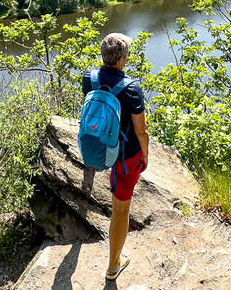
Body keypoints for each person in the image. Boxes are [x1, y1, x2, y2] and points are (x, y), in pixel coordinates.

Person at [83, 32, 149, 281]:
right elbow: (141, 130)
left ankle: (115, 260)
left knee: (118, 206)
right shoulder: (131, 88)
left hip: (99, 148)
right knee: (120, 210)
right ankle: (113, 266)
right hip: (125, 156)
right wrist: (145, 155)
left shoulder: (88, 78)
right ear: (122, 60)